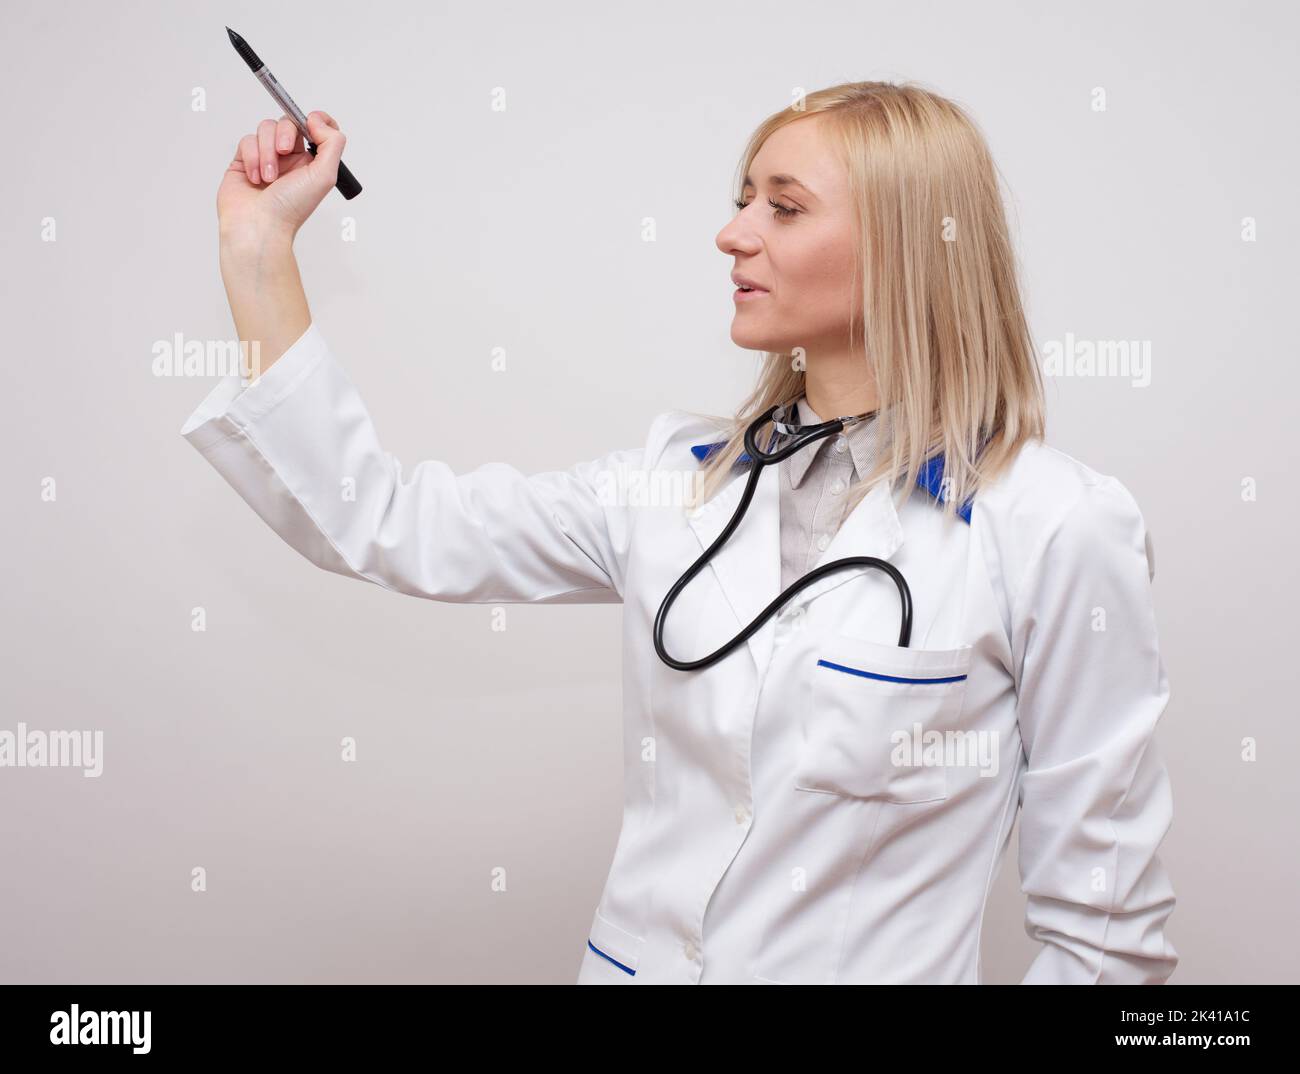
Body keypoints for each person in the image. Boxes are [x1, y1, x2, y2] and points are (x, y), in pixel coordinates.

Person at [182, 82, 1178, 984]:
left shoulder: (1054, 527)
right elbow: (381, 520)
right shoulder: (674, 485)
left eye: (782, 207)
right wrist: (258, 247)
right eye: (743, 197)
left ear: (912, 243)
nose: (730, 234)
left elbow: (1105, 939)